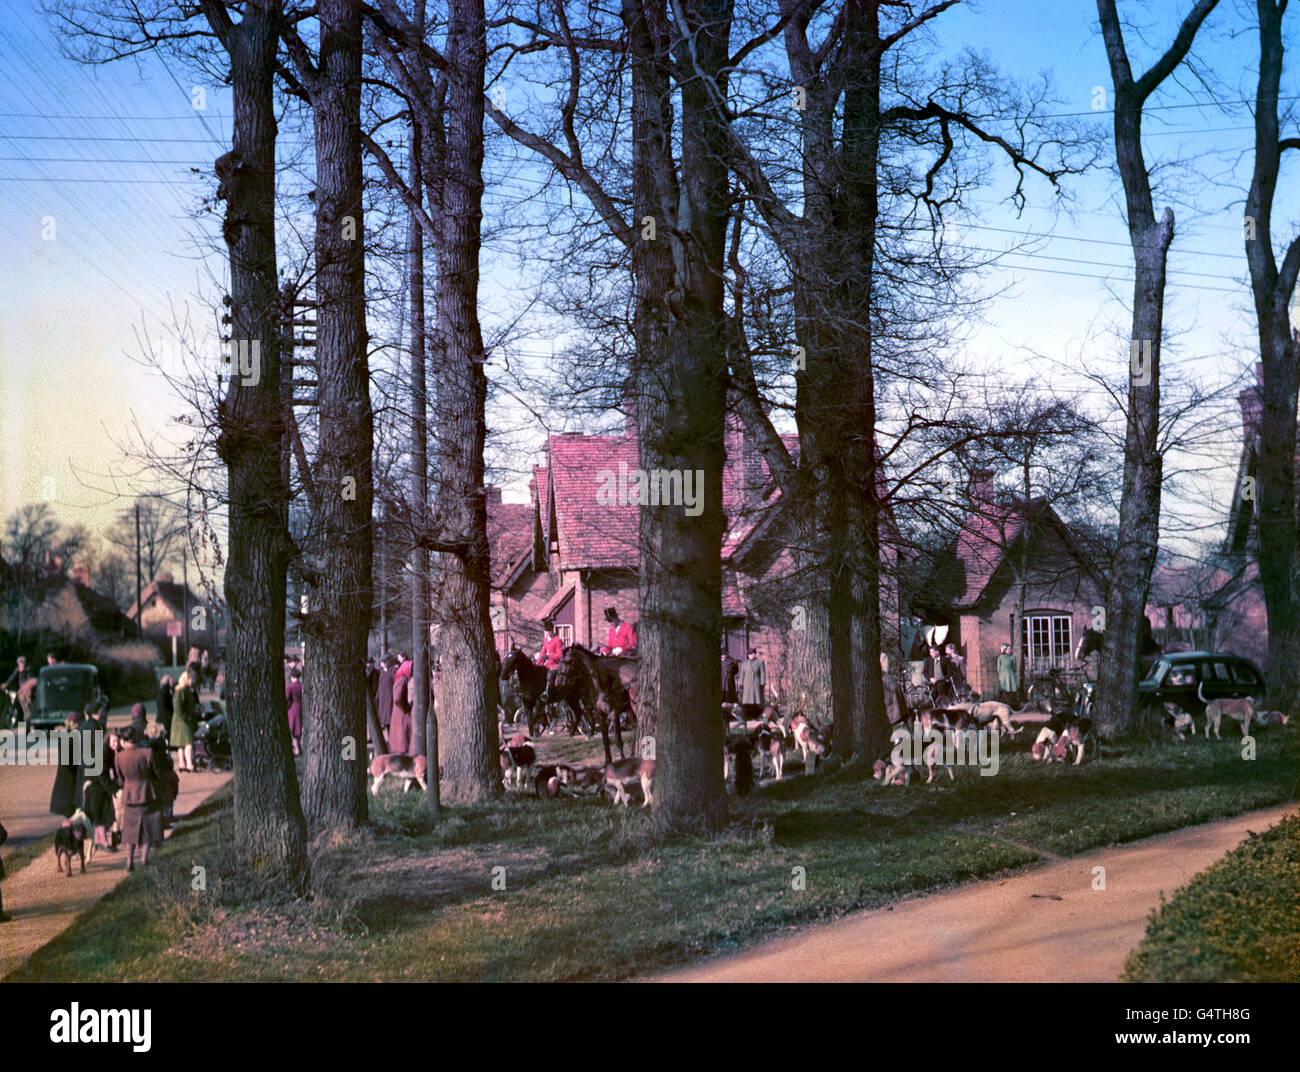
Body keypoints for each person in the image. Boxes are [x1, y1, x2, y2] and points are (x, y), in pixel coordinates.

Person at [115, 726, 163, 872]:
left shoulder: (119, 756)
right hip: (147, 792)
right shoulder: (147, 753)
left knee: (129, 829)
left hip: (130, 794)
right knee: (149, 824)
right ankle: (144, 857)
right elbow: (157, 772)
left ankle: (129, 860)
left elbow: (119, 777)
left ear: (123, 740)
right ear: (136, 738)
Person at [49, 713, 87, 818]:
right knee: (70, 809)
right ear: (74, 724)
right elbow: (66, 761)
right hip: (69, 777)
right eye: (79, 723)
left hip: (67, 775)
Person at [145, 721, 179, 828]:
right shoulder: (161, 744)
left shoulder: (149, 745)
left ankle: (161, 820)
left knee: (160, 799)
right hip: (165, 774)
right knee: (167, 798)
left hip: (158, 774)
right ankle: (166, 819)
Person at [170, 671, 199, 772]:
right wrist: (187, 717)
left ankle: (182, 764)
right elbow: (177, 707)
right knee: (188, 743)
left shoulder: (183, 690)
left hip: (180, 720)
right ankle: (189, 764)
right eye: (191, 679)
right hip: (182, 721)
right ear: (187, 679)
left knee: (181, 744)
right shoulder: (181, 691)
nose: (193, 681)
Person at [535, 618, 565, 699]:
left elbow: (560, 655)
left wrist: (549, 656)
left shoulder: (557, 640)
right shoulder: (546, 640)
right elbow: (542, 652)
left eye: (550, 630)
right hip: (547, 665)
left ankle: (547, 692)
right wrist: (537, 664)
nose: (549, 632)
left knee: (550, 675)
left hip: (555, 665)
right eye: (547, 631)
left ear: (552, 629)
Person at [390, 659, 414, 754]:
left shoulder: (400, 679)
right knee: (402, 743)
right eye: (411, 669)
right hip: (402, 715)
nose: (412, 671)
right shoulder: (403, 680)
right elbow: (397, 698)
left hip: (399, 715)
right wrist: (406, 708)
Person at [740, 648, 766, 722]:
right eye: (749, 654)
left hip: (756, 684)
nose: (751, 655)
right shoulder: (744, 663)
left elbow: (763, 673)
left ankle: (757, 716)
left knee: (756, 701)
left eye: (752, 654)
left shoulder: (760, 662)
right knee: (748, 701)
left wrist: (762, 683)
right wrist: (741, 684)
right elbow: (742, 674)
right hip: (747, 685)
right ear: (747, 655)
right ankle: (748, 716)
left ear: (755, 654)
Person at [376, 654, 396, 738]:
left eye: (382, 662)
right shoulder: (381, 672)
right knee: (385, 720)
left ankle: (392, 739)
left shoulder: (393, 671)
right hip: (382, 700)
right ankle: (389, 738)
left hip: (390, 699)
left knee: (391, 720)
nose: (381, 664)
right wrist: (377, 696)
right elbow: (379, 686)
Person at [286, 665, 303, 756]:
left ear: (292, 677)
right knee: (298, 729)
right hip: (300, 706)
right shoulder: (301, 686)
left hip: (292, 708)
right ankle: (298, 747)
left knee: (292, 729)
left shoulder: (290, 687)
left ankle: (296, 749)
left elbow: (287, 698)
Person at [156, 675, 175, 743]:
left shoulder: (164, 691)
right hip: (165, 720)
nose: (173, 683)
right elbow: (164, 708)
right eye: (172, 681)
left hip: (162, 718)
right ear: (167, 682)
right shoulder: (165, 693)